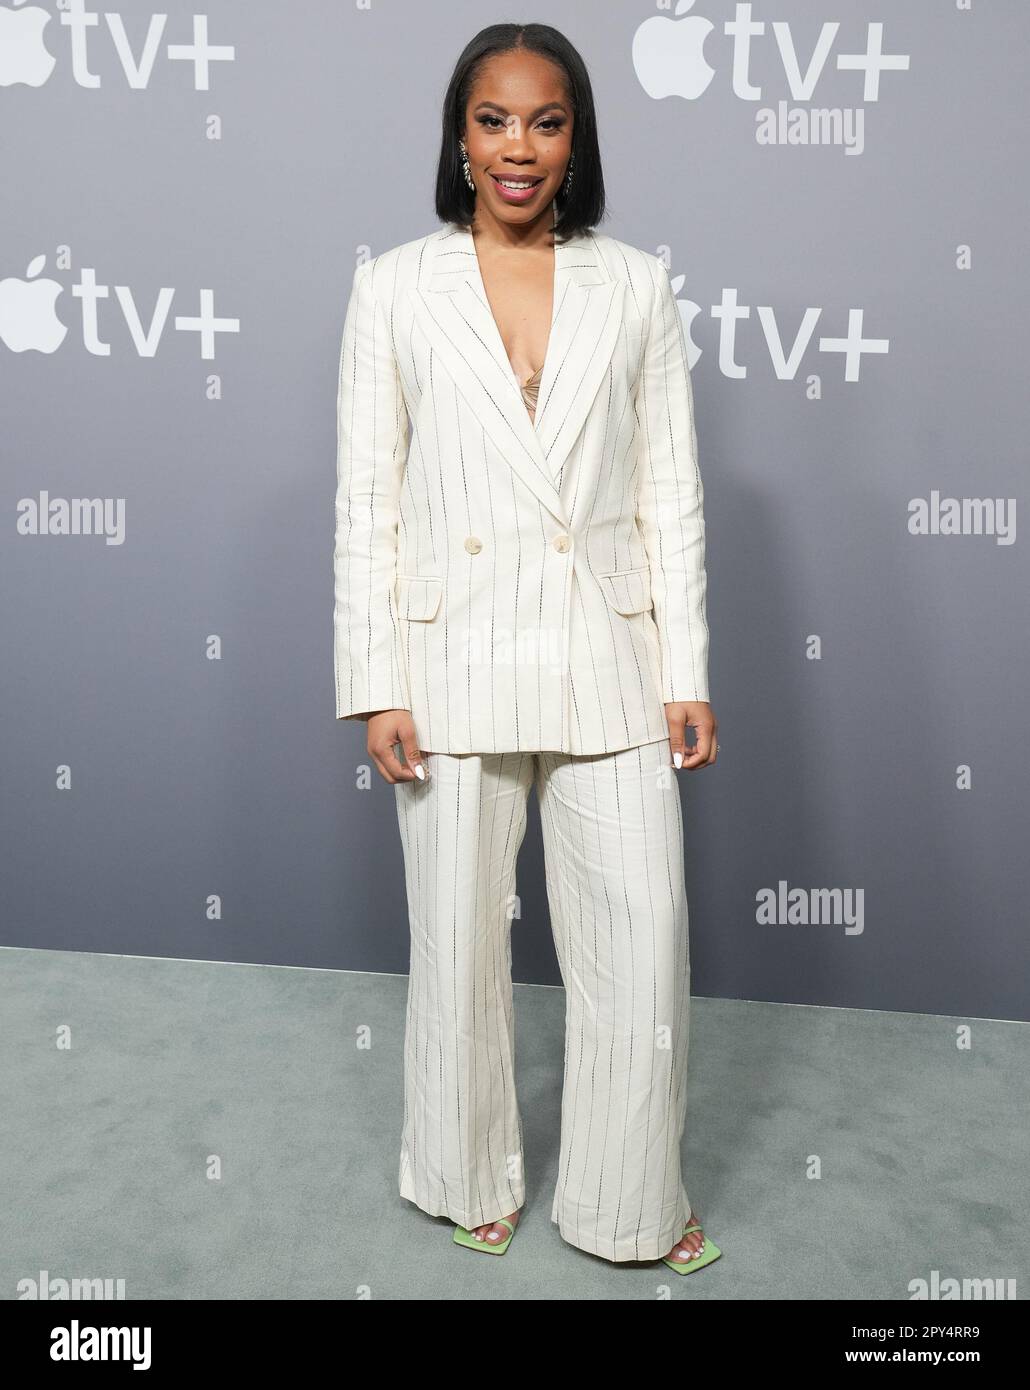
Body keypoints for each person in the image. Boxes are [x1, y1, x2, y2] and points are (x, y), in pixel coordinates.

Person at [333, 21, 720, 1272]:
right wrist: (375, 681)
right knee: (454, 946)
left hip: (607, 655)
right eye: (495, 120)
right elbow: (369, 504)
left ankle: (628, 1199)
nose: (519, 147)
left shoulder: (638, 283)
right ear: (460, 134)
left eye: (546, 122)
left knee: (641, 939)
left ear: (576, 137)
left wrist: (687, 670)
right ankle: (465, 1173)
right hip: (448, 666)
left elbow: (672, 491)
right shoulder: (392, 285)